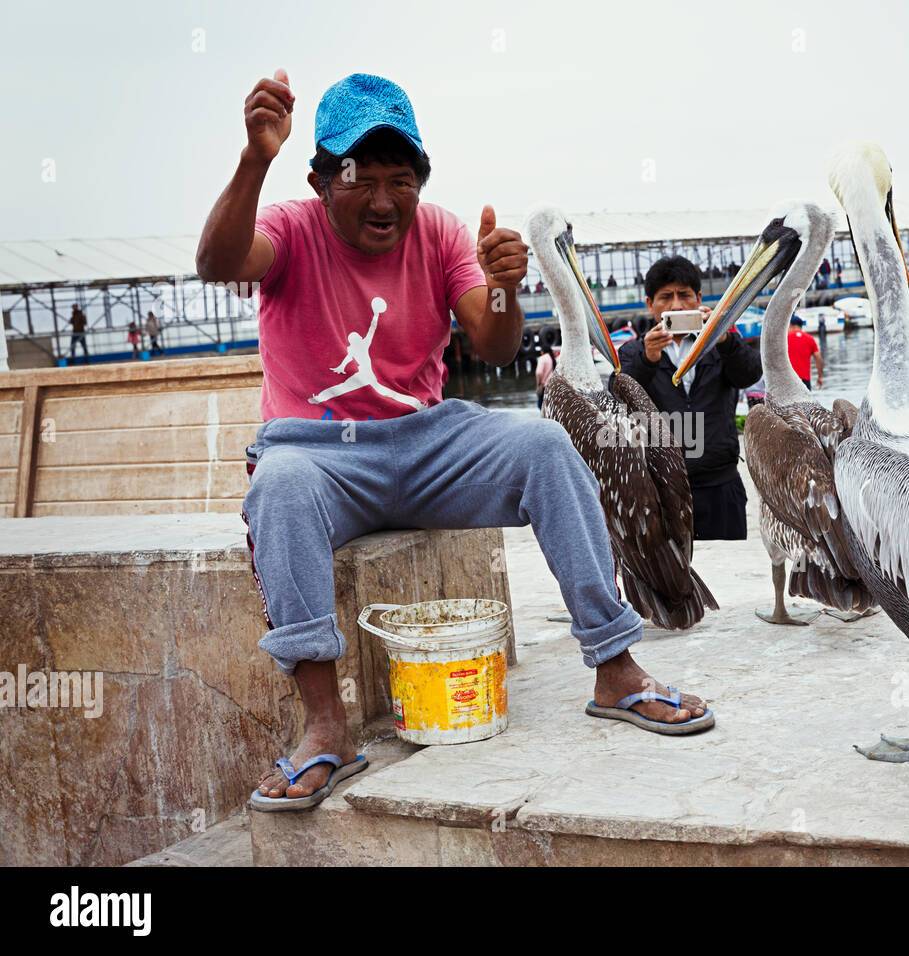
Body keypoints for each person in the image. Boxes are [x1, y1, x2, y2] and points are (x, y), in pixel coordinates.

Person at [196, 71, 712, 808]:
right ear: (319, 180)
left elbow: (496, 346)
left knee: (544, 447)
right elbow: (217, 264)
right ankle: (326, 728)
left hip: (428, 443)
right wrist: (254, 157)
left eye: (399, 181)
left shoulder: (437, 230)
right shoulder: (287, 225)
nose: (382, 200)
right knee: (275, 486)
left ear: (419, 182)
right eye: (359, 179)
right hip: (318, 453)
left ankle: (616, 667)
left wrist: (505, 284)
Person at [617, 255, 761, 540]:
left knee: (724, 571)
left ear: (698, 299)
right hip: (659, 489)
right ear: (650, 305)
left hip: (721, 485)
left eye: (684, 295)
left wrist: (723, 337)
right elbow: (619, 397)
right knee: (669, 577)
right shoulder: (635, 352)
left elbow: (750, 374)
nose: (676, 305)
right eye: (665, 297)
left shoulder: (720, 344)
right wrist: (648, 360)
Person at [786, 316, 822, 390]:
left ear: (790, 325)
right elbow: (818, 357)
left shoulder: (785, 339)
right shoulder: (810, 339)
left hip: (788, 380)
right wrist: (820, 376)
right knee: (806, 401)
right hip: (805, 380)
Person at [535, 342, 555, 411]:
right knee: (549, 404)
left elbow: (539, 372)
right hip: (551, 384)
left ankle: (544, 420)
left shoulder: (542, 358)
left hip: (544, 385)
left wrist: (538, 383)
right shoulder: (552, 358)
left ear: (543, 351)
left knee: (540, 405)